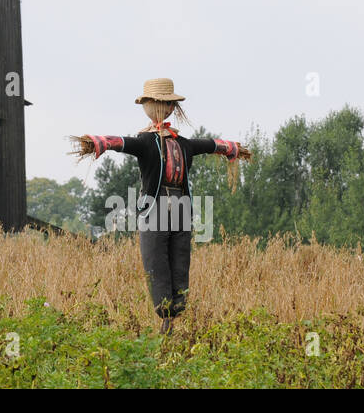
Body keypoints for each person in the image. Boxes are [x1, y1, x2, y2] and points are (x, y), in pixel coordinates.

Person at [70, 78, 252, 334]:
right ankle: (165, 313)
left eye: (167, 104)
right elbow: (122, 143)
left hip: (180, 206)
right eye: (159, 103)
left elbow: (210, 145)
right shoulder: (145, 141)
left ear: (171, 107)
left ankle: (177, 310)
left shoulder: (183, 143)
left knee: (180, 257)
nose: (163, 108)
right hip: (154, 207)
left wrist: (230, 148)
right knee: (155, 258)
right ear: (148, 105)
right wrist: (99, 142)